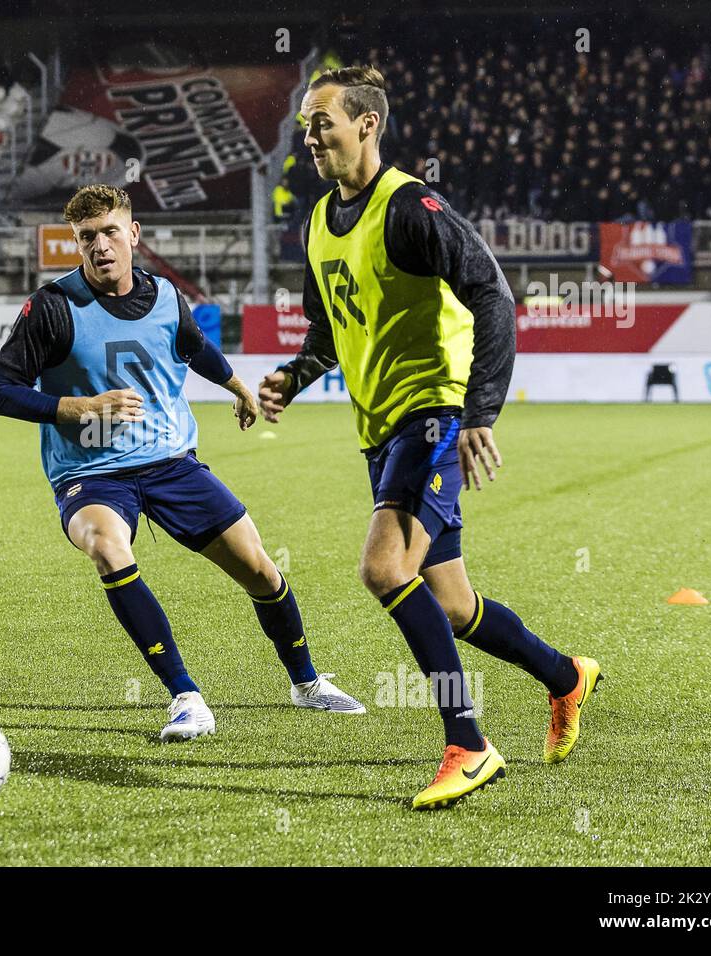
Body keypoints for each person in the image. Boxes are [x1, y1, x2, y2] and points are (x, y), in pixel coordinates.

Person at [258, 65, 602, 810]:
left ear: (367, 125)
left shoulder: (411, 206)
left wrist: (479, 413)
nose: (311, 136)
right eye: (306, 125)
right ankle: (565, 675)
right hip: (382, 431)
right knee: (450, 605)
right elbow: (330, 326)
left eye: (324, 122)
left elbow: (492, 292)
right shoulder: (320, 218)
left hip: (434, 416)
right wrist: (294, 375)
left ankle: (468, 744)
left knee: (383, 569)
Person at [0, 184, 365, 741]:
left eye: (110, 232)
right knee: (107, 549)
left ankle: (306, 683)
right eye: (86, 237)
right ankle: (185, 697)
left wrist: (238, 385)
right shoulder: (52, 308)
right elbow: (2, 391)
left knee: (260, 570)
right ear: (76, 243)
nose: (100, 246)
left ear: (132, 234)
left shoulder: (165, 295)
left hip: (171, 463)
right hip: (90, 473)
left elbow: (193, 347)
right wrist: (78, 407)